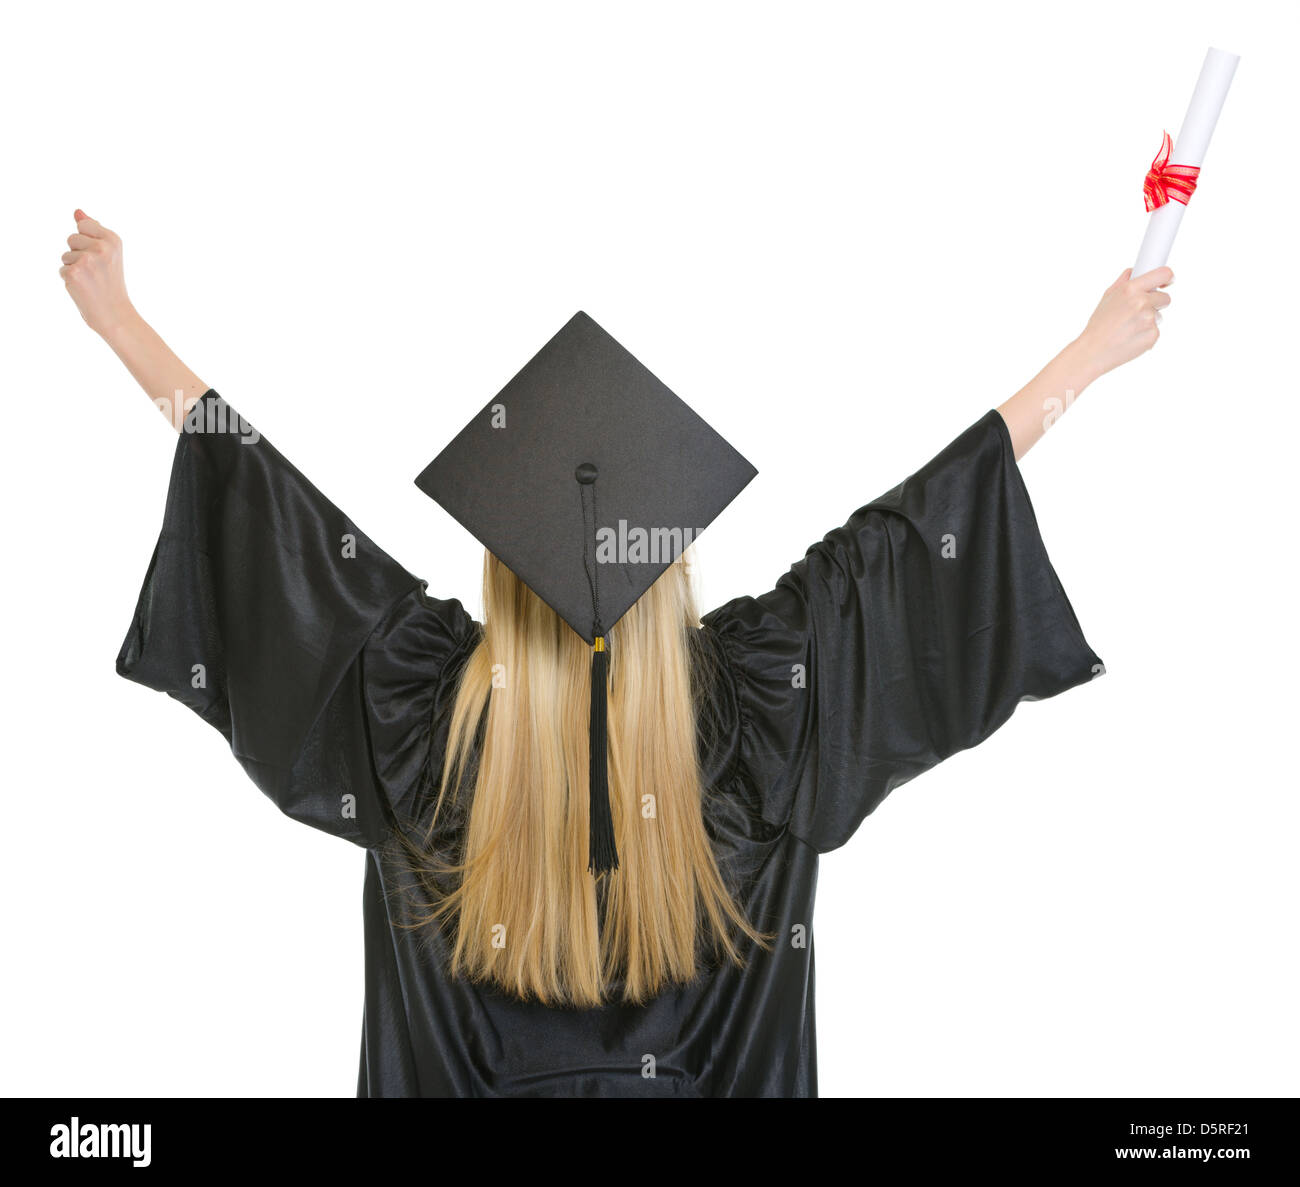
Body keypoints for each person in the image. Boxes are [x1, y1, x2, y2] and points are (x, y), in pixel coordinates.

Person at [61, 209, 1172, 1097]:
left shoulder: (413, 711)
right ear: (669, 560)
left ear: (502, 563)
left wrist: (121, 321)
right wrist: (1090, 351)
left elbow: (273, 515)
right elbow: (907, 535)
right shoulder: (765, 702)